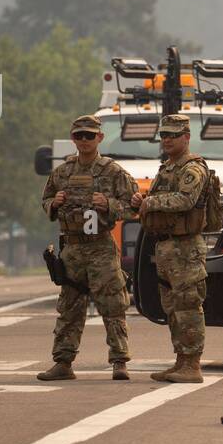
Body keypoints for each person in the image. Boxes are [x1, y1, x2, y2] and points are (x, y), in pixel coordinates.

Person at [37, 114, 139, 381]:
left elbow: (134, 206)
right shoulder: (62, 172)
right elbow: (45, 199)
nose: (84, 140)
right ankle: (63, 362)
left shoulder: (113, 172)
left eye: (89, 135)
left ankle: (119, 362)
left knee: (113, 305)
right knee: (69, 307)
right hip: (72, 248)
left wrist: (109, 205)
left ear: (99, 138)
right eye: (79, 135)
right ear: (73, 138)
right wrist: (54, 203)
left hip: (101, 248)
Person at [131, 114, 211, 383]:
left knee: (188, 306)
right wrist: (141, 200)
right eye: (163, 135)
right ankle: (181, 361)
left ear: (186, 137)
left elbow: (186, 199)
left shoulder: (192, 168)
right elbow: (160, 199)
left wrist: (151, 203)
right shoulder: (167, 168)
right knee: (172, 307)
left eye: (173, 135)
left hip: (186, 248)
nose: (166, 139)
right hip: (166, 247)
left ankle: (193, 364)